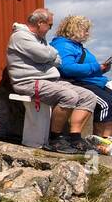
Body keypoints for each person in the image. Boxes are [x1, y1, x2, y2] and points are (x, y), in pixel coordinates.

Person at [6, 8, 100, 154]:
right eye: (49, 25)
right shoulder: (21, 37)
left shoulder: (39, 39)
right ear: (40, 23)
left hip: (50, 81)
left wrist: (50, 56)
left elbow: (57, 60)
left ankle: (74, 137)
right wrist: (51, 55)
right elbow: (44, 55)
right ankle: (55, 138)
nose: (50, 28)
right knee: (69, 96)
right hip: (29, 82)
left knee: (89, 97)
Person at [51, 15, 112, 139]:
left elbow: (88, 67)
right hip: (80, 82)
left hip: (93, 81)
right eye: (85, 29)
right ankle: (99, 139)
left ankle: (108, 138)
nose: (87, 33)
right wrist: (96, 67)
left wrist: (102, 69)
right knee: (107, 104)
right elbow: (67, 68)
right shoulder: (63, 45)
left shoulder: (77, 46)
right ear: (75, 29)